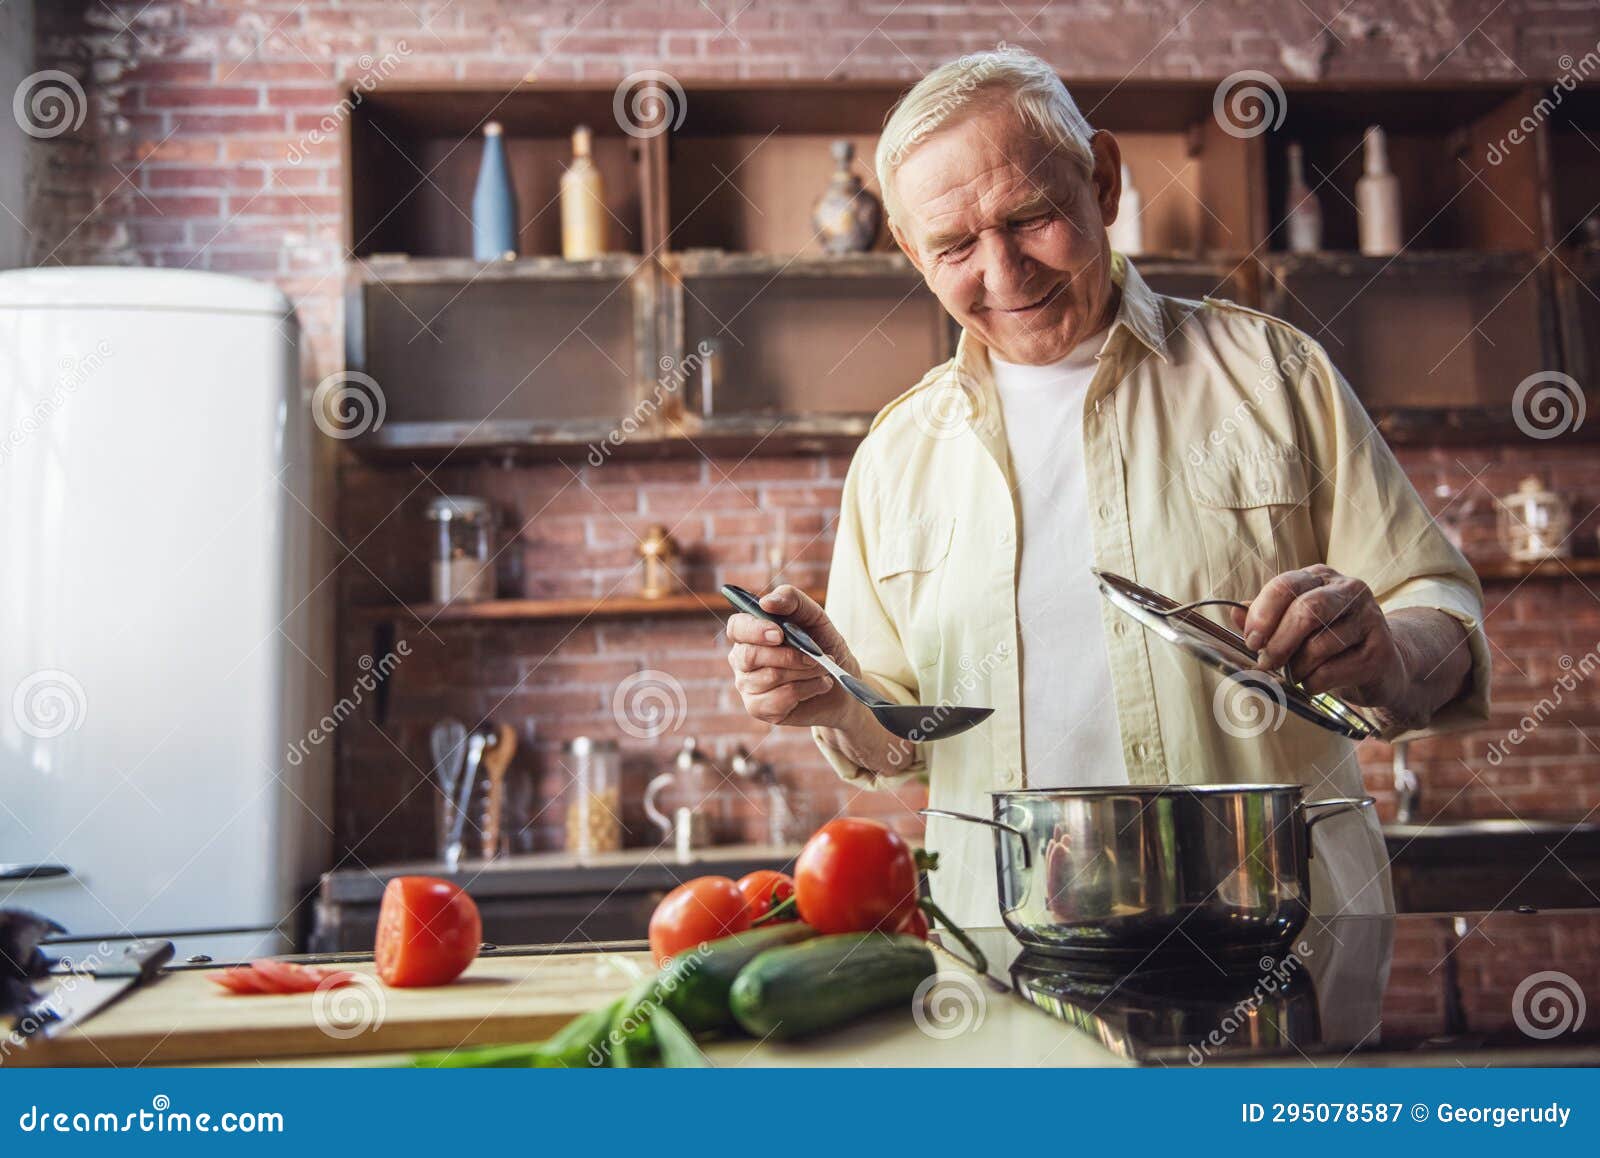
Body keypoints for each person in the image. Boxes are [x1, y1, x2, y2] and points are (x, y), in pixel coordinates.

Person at [725, 49, 1489, 929]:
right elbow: (898, 740)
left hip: (1272, 939)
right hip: (1000, 958)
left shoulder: (1278, 376)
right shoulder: (896, 454)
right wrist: (839, 697)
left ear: (1105, 181)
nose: (1005, 274)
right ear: (909, 250)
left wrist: (1389, 652)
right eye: (956, 246)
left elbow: (1445, 618)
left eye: (1032, 217)